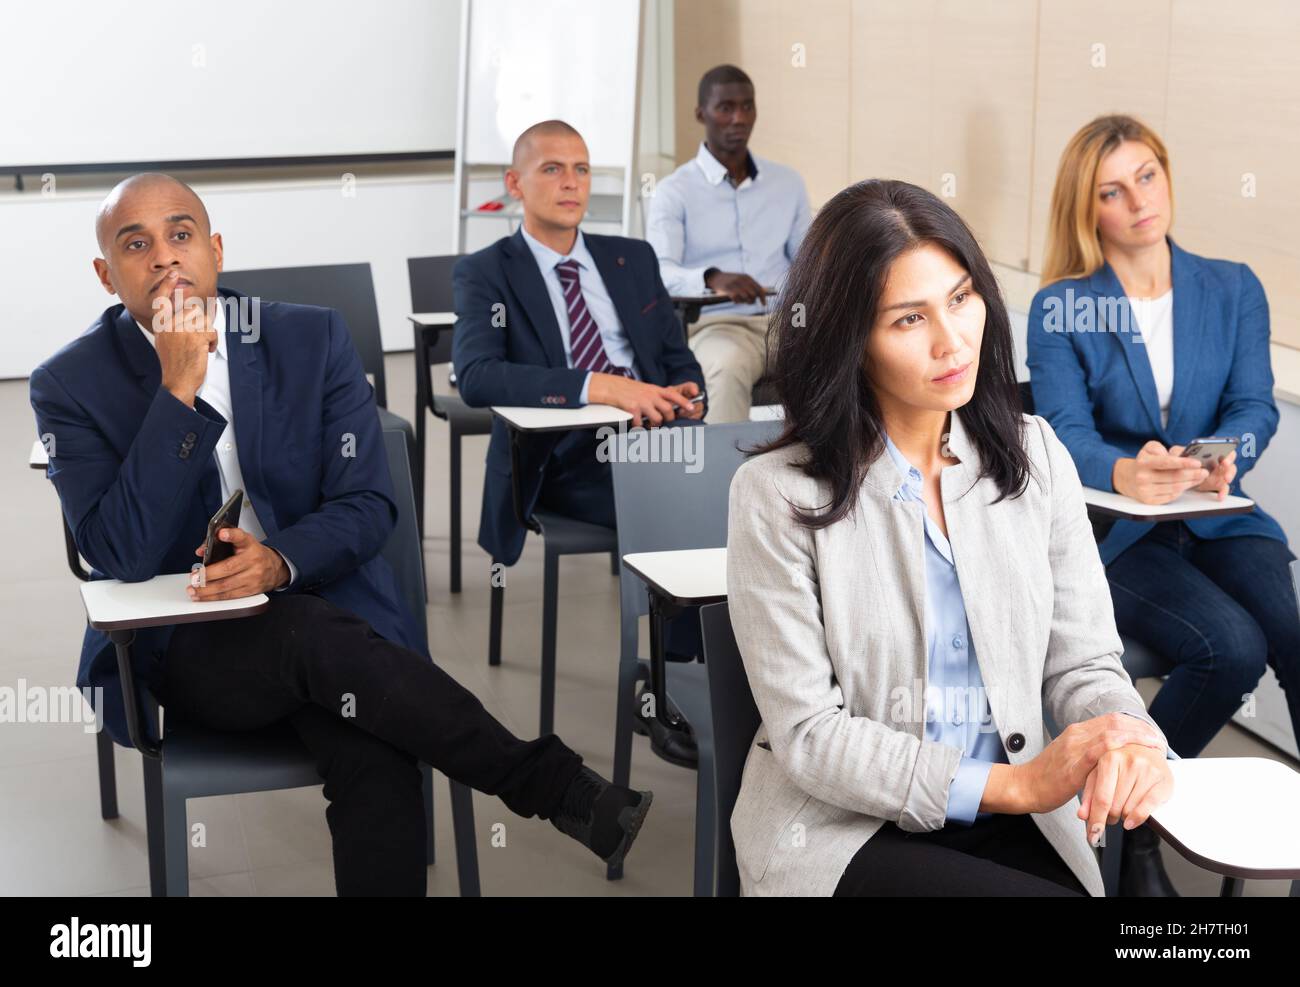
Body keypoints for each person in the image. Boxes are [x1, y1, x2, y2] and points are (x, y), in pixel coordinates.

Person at [29, 173, 654, 896]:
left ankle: (547, 784)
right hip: (190, 645)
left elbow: (366, 503)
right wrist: (178, 387)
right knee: (310, 640)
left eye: (181, 234)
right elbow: (119, 553)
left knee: (376, 750)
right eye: (136, 245)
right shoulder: (66, 384)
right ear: (108, 275)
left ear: (216, 248)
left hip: (331, 627)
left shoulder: (307, 335)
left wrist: (280, 562)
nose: (165, 259)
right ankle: (546, 781)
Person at [726, 179, 1175, 897]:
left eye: (961, 298)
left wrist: (1127, 735)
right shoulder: (775, 495)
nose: (952, 339)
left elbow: (1084, 662)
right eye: (908, 320)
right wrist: (1017, 783)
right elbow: (811, 736)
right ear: (851, 341)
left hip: (1012, 811)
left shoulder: (1036, 454)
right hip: (847, 827)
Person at [1026, 114, 1300, 894]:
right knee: (1231, 646)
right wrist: (1120, 469)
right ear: (1089, 210)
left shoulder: (1232, 286)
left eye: (1147, 176)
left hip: (1220, 514)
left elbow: (1255, 405)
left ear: (1168, 174)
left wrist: (1225, 458)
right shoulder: (1061, 306)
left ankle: (1123, 805)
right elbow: (1061, 432)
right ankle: (1133, 824)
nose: (1139, 201)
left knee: (1290, 633)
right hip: (1121, 537)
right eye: (1112, 191)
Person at [452, 120, 707, 766]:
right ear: (514, 185)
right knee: (682, 512)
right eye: (552, 169)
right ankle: (669, 685)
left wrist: (683, 393)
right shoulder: (487, 272)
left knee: (745, 502)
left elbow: (679, 360)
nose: (571, 183)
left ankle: (712, 676)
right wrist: (602, 388)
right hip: (565, 456)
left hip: (655, 435)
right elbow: (477, 376)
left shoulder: (631, 258)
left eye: (583, 169)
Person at [646, 64, 811, 423]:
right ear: (701, 113)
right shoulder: (674, 192)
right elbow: (658, 272)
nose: (738, 118)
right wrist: (711, 278)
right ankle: (726, 480)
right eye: (726, 108)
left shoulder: (787, 184)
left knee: (846, 355)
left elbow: (808, 265)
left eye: (747, 106)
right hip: (719, 327)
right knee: (725, 366)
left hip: (787, 323)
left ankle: (819, 472)